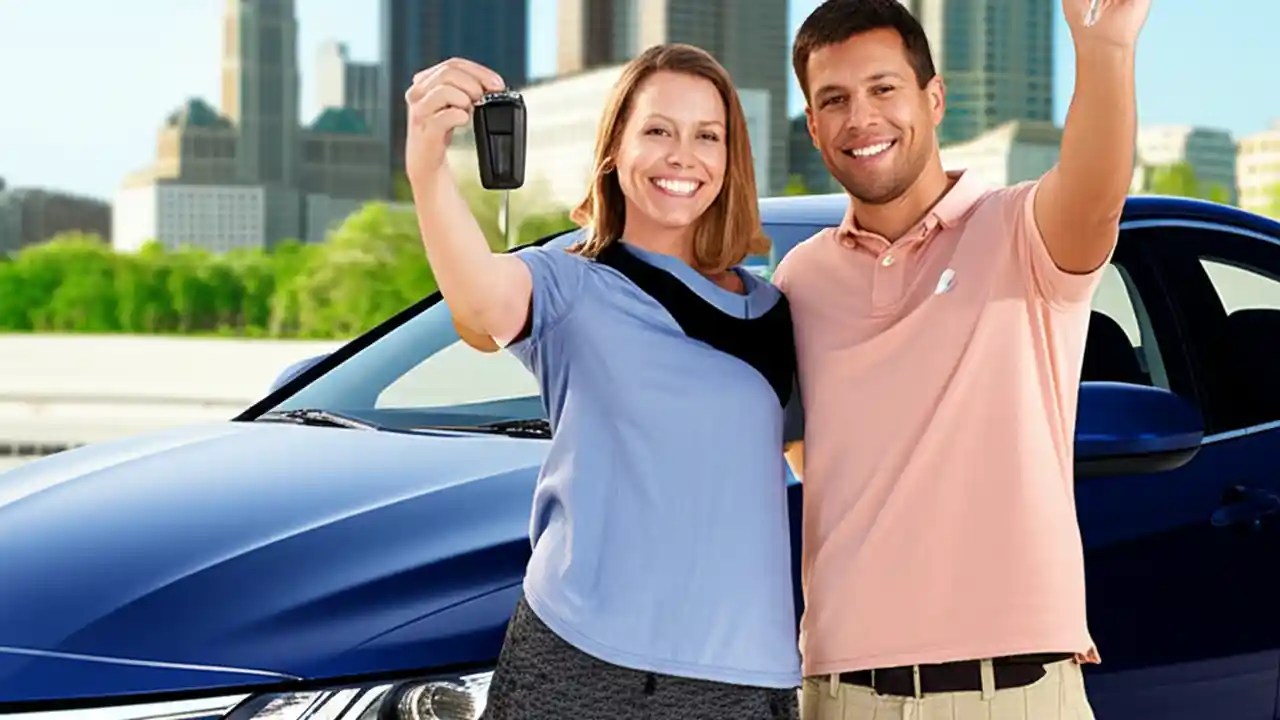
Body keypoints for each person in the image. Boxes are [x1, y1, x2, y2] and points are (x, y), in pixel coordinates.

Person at [402, 43, 802, 719]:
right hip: (582, 660)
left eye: (708, 136)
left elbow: (824, 471)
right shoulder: (568, 283)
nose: (683, 155)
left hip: (746, 679)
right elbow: (477, 304)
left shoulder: (777, 313)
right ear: (614, 149)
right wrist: (426, 162)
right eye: (657, 130)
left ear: (731, 161)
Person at [776, 0, 1149, 717]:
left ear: (934, 97)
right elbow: (800, 445)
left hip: (1009, 693)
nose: (862, 117)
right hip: (842, 696)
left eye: (884, 88)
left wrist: (1105, 50)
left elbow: (1098, 196)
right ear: (814, 126)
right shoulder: (799, 280)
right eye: (835, 100)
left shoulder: (1023, 233)